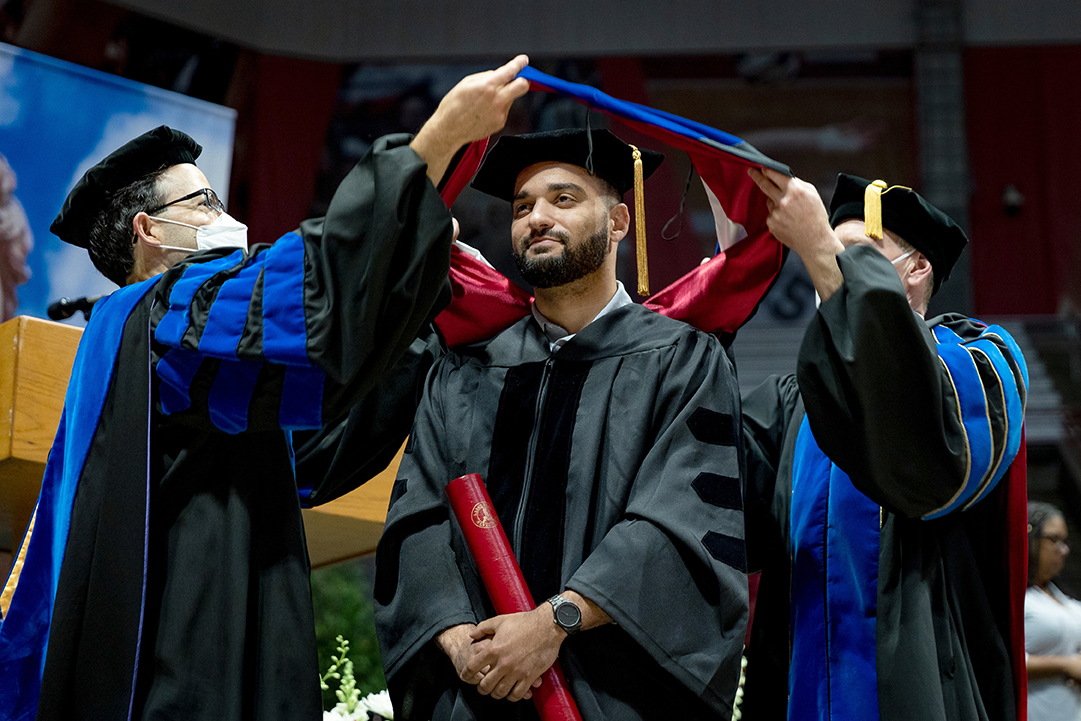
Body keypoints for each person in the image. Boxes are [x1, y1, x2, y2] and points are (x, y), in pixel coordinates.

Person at [0, 55, 530, 721]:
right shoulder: (164, 311)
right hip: (182, 663)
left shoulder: (186, 353)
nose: (225, 215)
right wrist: (429, 149)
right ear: (148, 230)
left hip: (240, 633)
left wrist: (421, 302)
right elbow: (306, 287)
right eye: (204, 201)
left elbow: (325, 436)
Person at [373, 128, 749, 720]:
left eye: (563, 199)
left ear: (620, 222)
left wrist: (554, 623)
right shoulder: (467, 370)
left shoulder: (683, 361)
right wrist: (454, 637)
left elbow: (679, 519)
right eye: (523, 207)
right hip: (477, 689)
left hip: (612, 693)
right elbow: (416, 518)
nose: (537, 218)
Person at [740, 170, 1029, 721]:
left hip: (922, 686)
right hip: (803, 685)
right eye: (829, 251)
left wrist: (823, 251)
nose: (831, 263)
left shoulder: (982, 359)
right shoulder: (794, 402)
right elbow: (724, 513)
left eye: (858, 252)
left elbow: (932, 466)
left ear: (917, 266)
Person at [1025, 501, 1081, 720]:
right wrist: (1064, 664)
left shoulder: (1060, 596)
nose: (1064, 550)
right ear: (1030, 539)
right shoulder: (1017, 599)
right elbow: (999, 657)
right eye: (1054, 540)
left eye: (1065, 541)